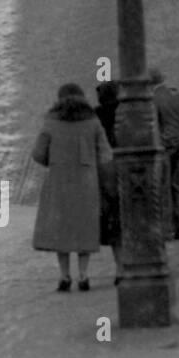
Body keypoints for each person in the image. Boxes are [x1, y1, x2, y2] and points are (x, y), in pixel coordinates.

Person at [31, 82, 113, 292]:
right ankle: (84, 276)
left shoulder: (51, 122)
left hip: (59, 181)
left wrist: (55, 160)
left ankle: (64, 275)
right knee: (84, 227)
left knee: (62, 229)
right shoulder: (92, 122)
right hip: (86, 180)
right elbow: (105, 154)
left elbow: (38, 153)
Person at [148, 67, 179, 241]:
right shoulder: (177, 96)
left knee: (163, 188)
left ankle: (167, 230)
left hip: (163, 148)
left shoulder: (153, 100)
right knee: (177, 187)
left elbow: (154, 128)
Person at [94, 80, 125, 283]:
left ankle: (120, 267)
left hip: (104, 168)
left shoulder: (96, 115)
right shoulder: (125, 111)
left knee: (113, 220)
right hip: (125, 164)